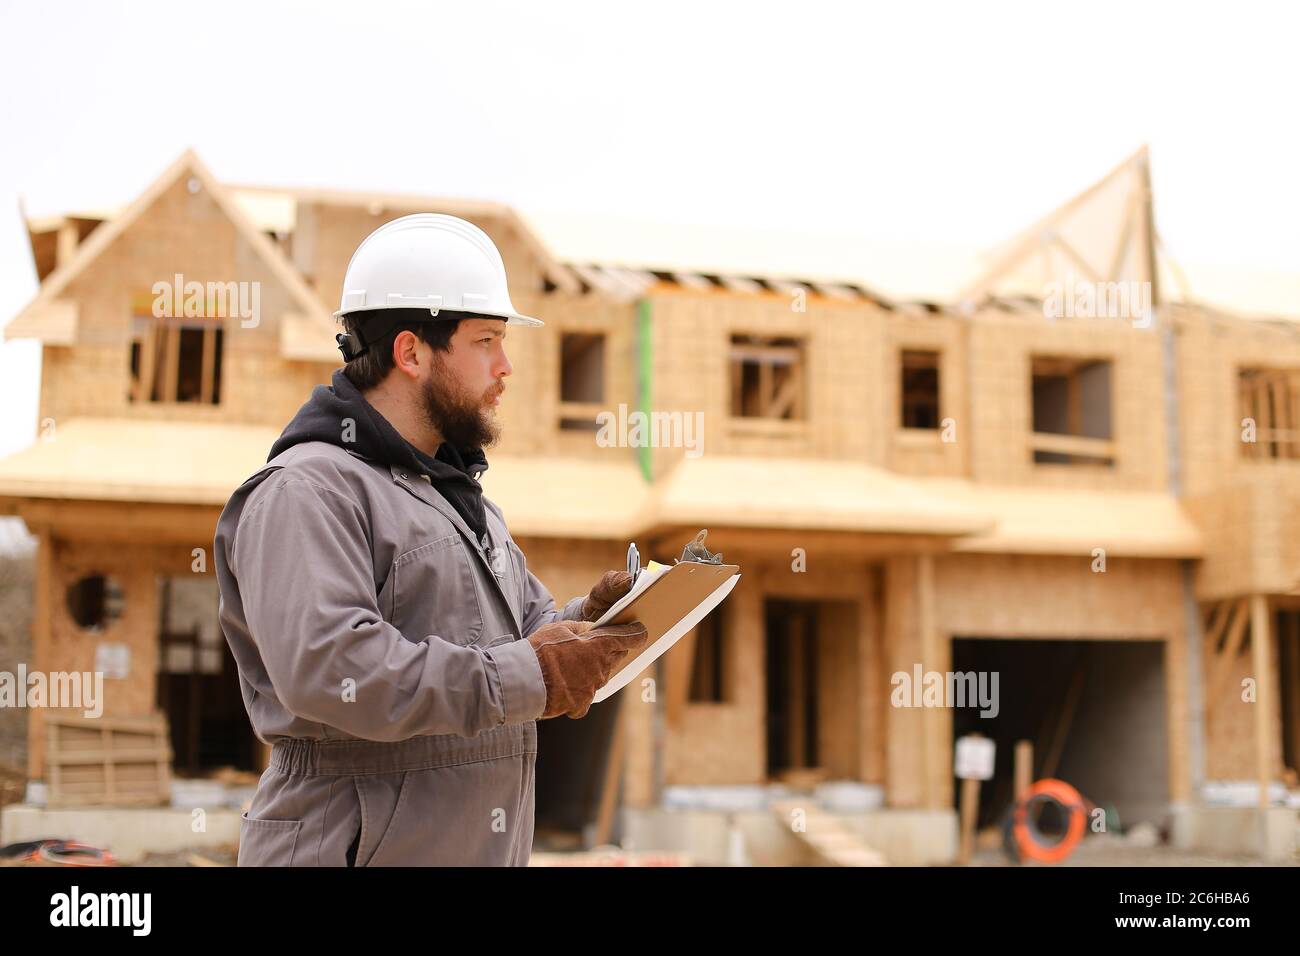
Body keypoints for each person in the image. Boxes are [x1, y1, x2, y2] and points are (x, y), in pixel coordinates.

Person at [215, 214, 649, 866]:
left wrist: (591, 621)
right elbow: (332, 669)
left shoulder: (460, 500)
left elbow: (526, 638)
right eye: (485, 341)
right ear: (411, 352)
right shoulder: (308, 490)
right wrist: (530, 675)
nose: (506, 367)